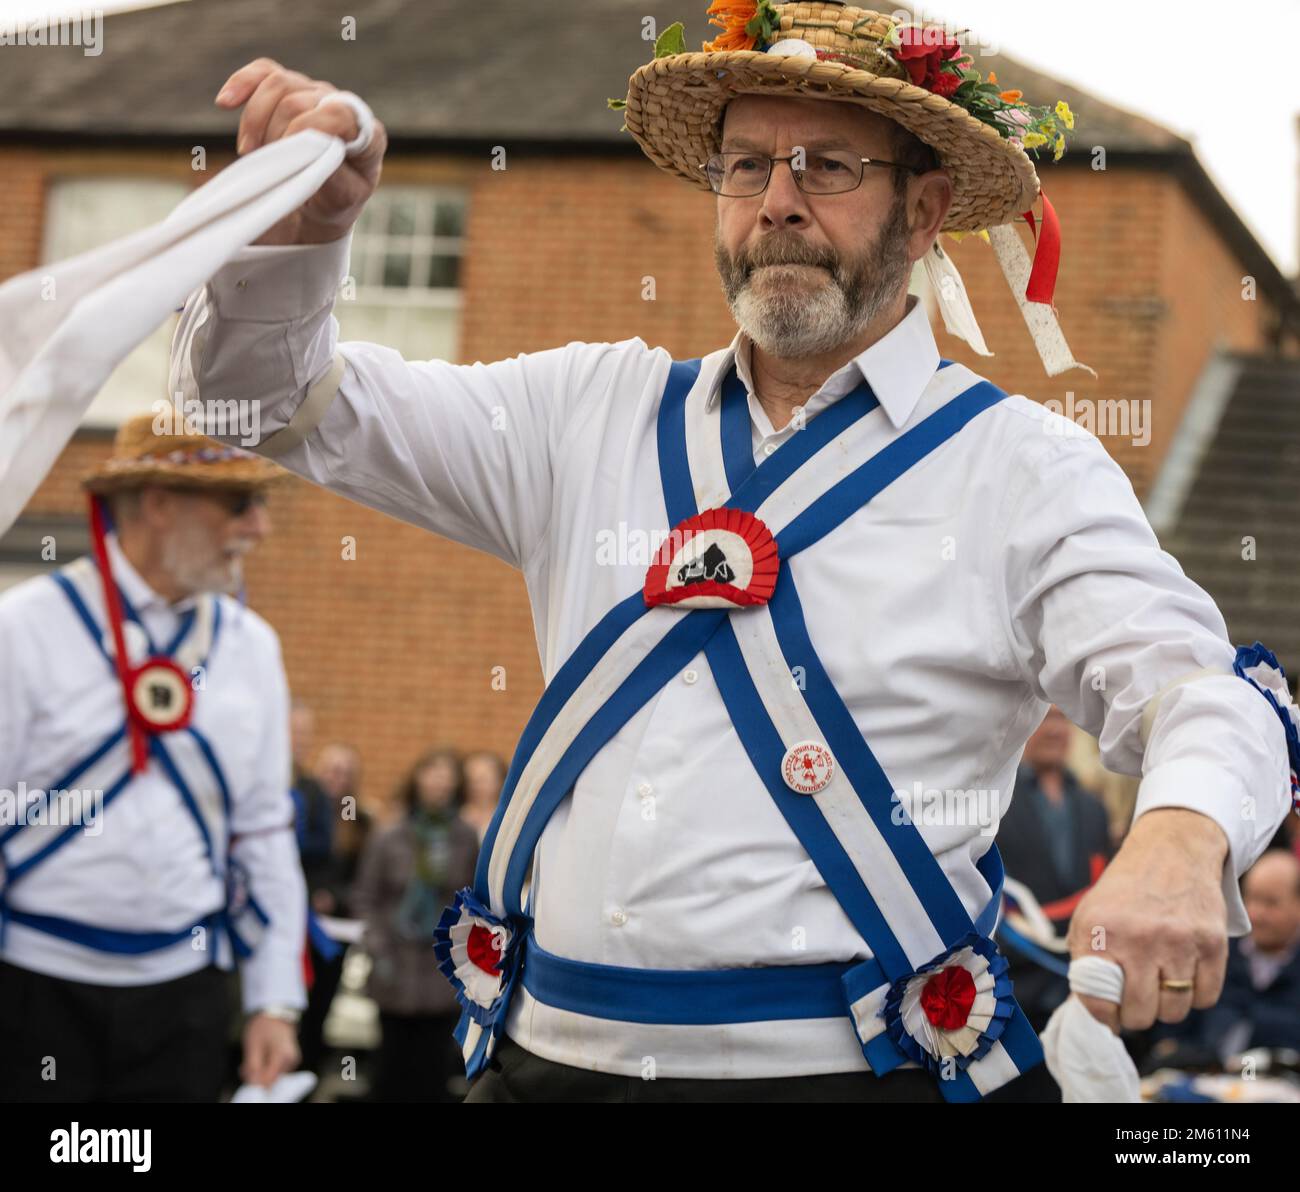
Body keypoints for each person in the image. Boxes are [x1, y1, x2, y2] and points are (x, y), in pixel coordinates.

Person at [172, 5, 1296, 1102]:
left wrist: (1180, 837)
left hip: (853, 1079)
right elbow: (257, 404)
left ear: (925, 210)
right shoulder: (584, 411)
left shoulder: (1021, 469)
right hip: (541, 1069)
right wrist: (300, 238)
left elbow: (1202, 692)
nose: (778, 203)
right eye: (746, 166)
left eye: (829, 167)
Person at [0, 415, 307, 1101]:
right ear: (159, 504)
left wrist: (273, 1001)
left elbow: (262, 831)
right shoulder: (23, 628)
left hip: (185, 996)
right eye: (238, 503)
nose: (259, 527)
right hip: (32, 994)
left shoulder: (251, 646)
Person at [351, 748, 478, 1101]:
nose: (438, 781)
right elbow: (365, 897)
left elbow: (474, 900)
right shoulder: (390, 836)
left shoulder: (465, 838)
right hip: (393, 964)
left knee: (433, 1069)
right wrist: (377, 947)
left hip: (440, 969)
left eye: (446, 774)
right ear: (416, 779)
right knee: (390, 1066)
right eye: (431, 771)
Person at [997, 706, 1114, 1028]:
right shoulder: (995, 802)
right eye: (1045, 718)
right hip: (1014, 984)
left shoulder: (1093, 808)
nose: (1054, 730)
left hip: (1077, 984)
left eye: (1063, 719)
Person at [1153, 851, 1300, 1061]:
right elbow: (1174, 1028)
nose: (1256, 913)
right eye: (1251, 898)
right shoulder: (1213, 952)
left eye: (1271, 903)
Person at [460, 750, 506, 845]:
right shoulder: (457, 817)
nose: (476, 785)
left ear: (500, 781)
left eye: (483, 779)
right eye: (471, 779)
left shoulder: (508, 818)